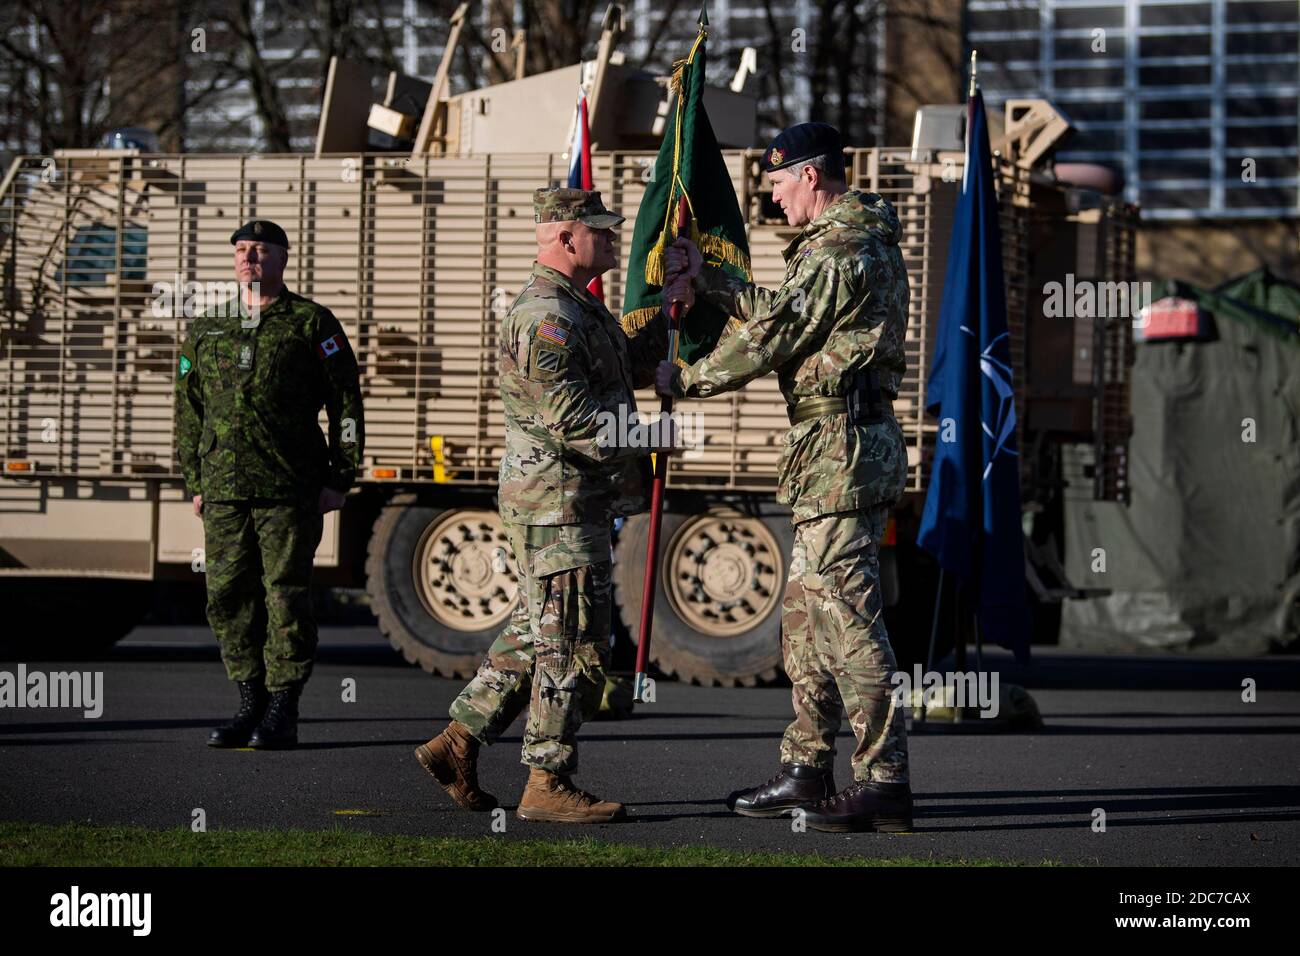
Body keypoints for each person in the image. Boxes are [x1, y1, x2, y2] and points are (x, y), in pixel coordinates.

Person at [654, 123, 914, 833]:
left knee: (851, 621)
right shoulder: (840, 246)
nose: (770, 195)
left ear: (812, 176)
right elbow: (783, 313)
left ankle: (884, 780)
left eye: (777, 181)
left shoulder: (842, 247)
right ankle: (806, 768)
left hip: (844, 449)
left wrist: (690, 378)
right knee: (805, 619)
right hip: (828, 448)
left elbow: (776, 337)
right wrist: (712, 285)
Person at [414, 187, 682, 823]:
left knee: (539, 632)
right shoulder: (545, 317)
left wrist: (674, 308)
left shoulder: (576, 309)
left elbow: (617, 365)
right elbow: (576, 422)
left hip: (570, 500)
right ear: (567, 237)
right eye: (604, 231)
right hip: (555, 503)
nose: (616, 240)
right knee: (573, 642)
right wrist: (651, 439)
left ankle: (458, 742)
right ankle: (546, 782)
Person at [175, 219, 365, 750]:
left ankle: (284, 707)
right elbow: (188, 408)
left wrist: (340, 476)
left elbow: (345, 403)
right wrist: (195, 477)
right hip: (223, 489)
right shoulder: (208, 327)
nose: (248, 258)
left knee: (284, 596)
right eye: (241, 250)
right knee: (228, 595)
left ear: (283, 259)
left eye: (260, 250)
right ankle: (249, 701)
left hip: (290, 485)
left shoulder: (311, 323)